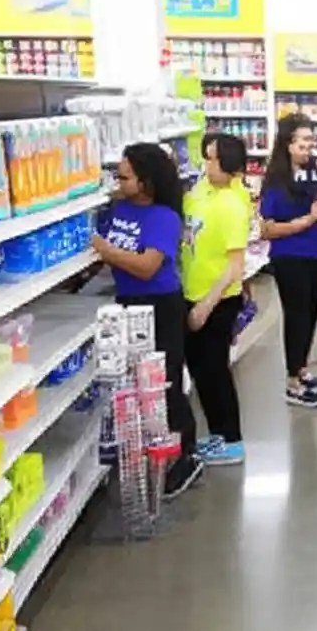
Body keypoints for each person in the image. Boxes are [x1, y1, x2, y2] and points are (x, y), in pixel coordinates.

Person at [92, 143, 203, 498]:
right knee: (135, 384)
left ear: (146, 181)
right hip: (127, 304)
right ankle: (152, 451)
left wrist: (105, 250)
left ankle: (186, 454)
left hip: (161, 305)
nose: (118, 182)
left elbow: (147, 267)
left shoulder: (164, 217)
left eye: (124, 177)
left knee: (165, 381)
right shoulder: (119, 208)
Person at [259, 114, 317, 408]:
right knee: (296, 317)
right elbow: (268, 229)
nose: (309, 146)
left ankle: (302, 370)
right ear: (287, 143)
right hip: (290, 257)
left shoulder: (313, 171)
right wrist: (309, 219)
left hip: (316, 253)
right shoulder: (275, 182)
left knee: (311, 314)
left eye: (310, 140)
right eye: (303, 141)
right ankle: (293, 383)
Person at [181, 133, 250, 466]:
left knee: (215, 372)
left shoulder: (233, 204)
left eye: (212, 159)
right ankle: (218, 435)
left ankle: (231, 440)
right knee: (202, 371)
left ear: (229, 164)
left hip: (216, 301)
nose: (205, 164)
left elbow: (235, 266)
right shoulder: (202, 190)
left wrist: (205, 306)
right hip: (192, 293)